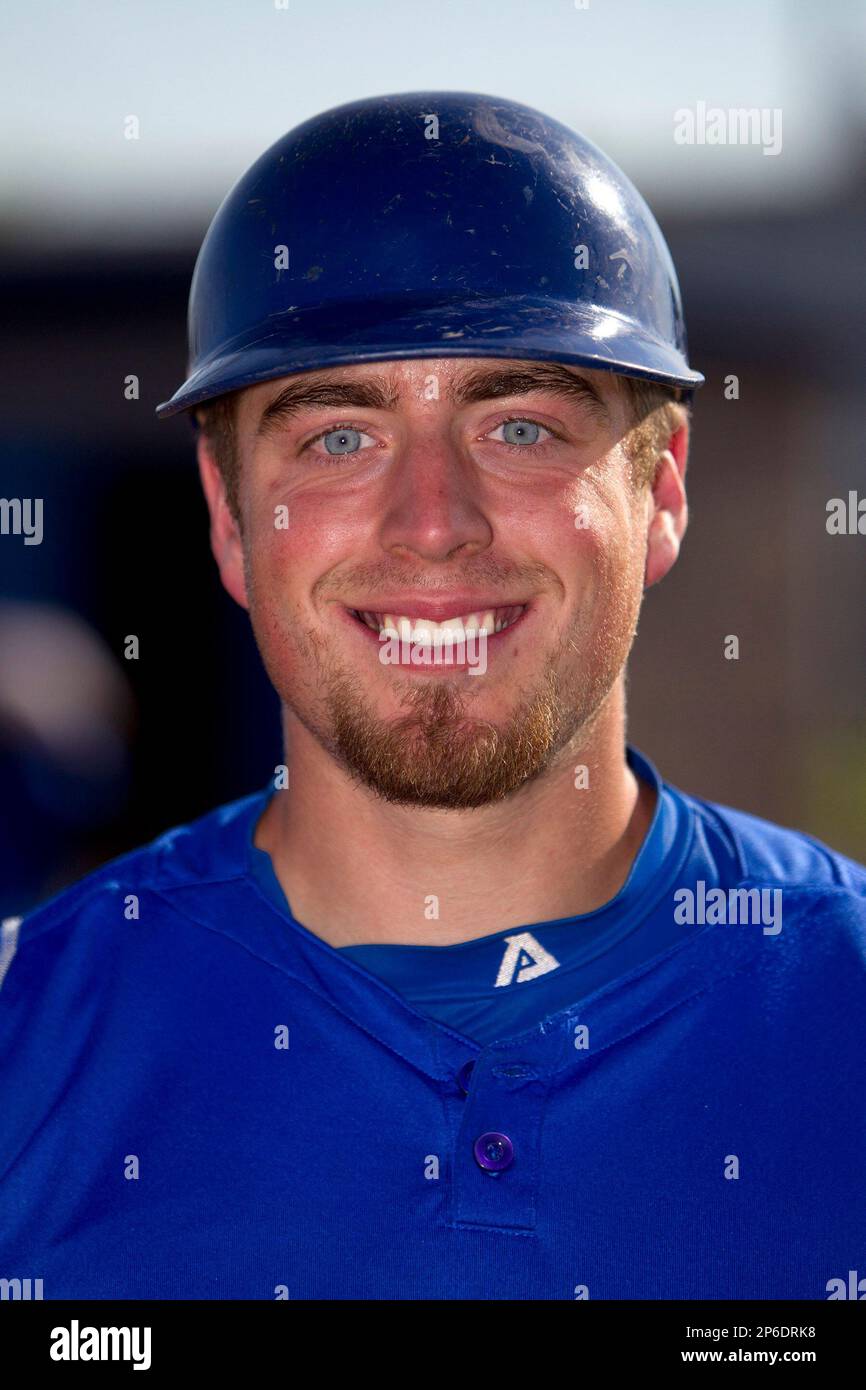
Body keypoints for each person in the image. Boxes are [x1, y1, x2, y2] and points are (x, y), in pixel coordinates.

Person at [1, 92, 864, 1301]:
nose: (433, 525)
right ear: (229, 517)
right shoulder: (27, 1038)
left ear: (659, 490)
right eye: (337, 439)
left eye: (517, 426)